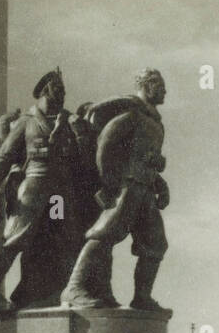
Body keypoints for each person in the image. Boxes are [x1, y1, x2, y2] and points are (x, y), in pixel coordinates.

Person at [0, 68, 96, 310]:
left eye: (64, 91)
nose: (63, 95)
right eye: (58, 90)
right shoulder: (27, 121)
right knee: (15, 238)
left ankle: (70, 291)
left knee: (65, 238)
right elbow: (4, 155)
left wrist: (80, 136)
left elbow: (82, 162)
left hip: (58, 194)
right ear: (45, 91)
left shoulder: (70, 121)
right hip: (34, 186)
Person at [60, 68, 170, 311]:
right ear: (147, 85)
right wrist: (110, 184)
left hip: (146, 189)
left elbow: (143, 158)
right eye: (160, 85)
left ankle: (142, 297)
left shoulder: (155, 123)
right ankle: (74, 288)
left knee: (156, 243)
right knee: (104, 233)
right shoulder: (131, 114)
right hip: (127, 186)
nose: (165, 90)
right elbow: (105, 146)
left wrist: (161, 184)